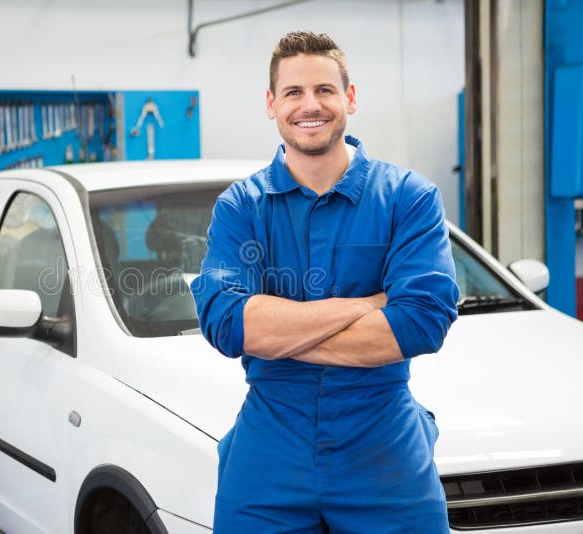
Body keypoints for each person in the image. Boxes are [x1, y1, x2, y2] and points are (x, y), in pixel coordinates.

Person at [190, 31, 459, 533]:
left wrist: (277, 331)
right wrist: (367, 305)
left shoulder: (408, 198)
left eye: (324, 90)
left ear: (349, 98)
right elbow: (228, 324)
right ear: (271, 105)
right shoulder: (241, 207)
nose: (309, 105)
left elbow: (421, 322)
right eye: (293, 92)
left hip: (383, 449)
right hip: (270, 450)